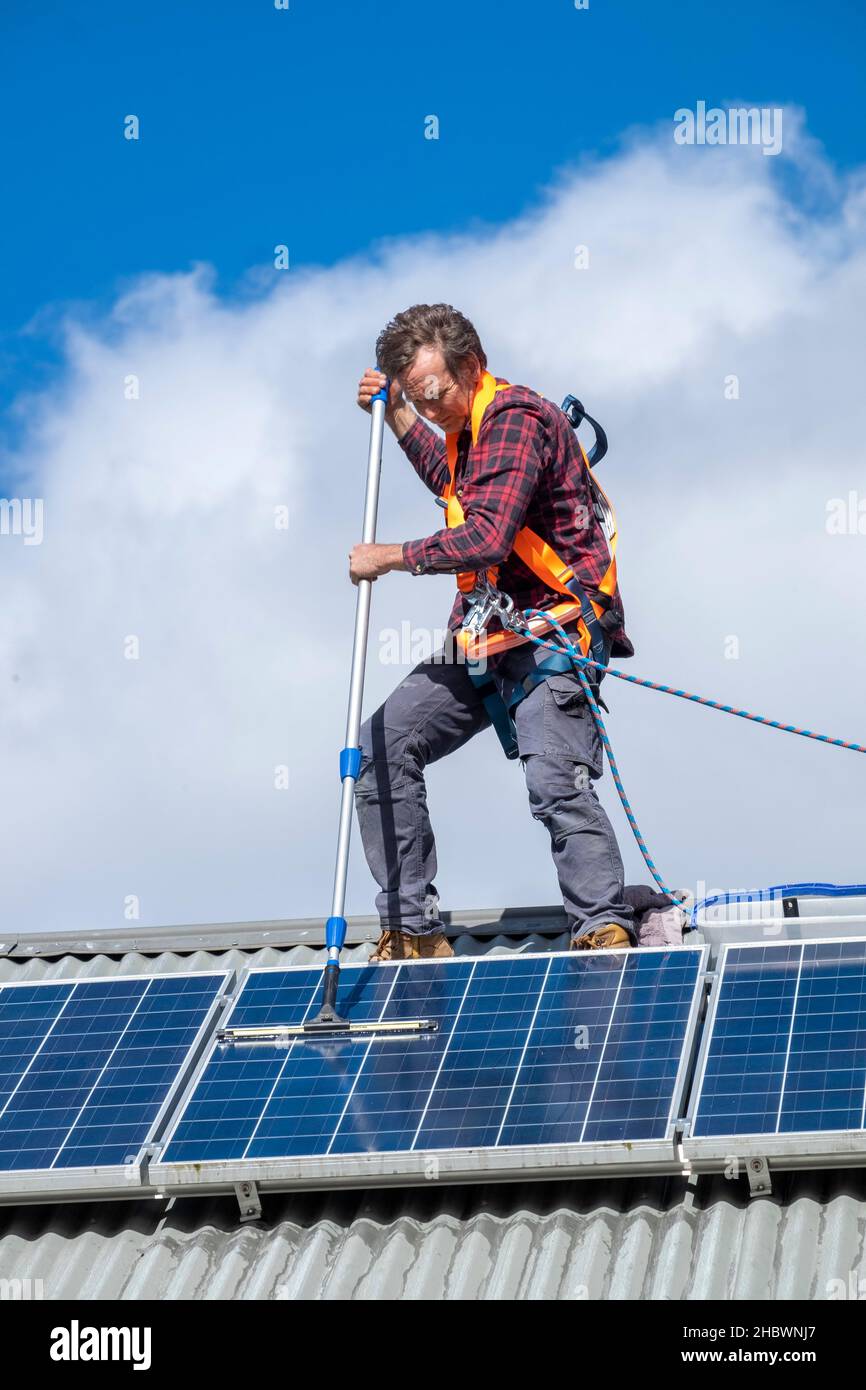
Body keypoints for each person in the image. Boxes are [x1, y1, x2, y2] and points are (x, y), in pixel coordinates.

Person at [350, 303, 636, 961]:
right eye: (417, 398)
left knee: (553, 778)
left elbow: (484, 538)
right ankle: (411, 934)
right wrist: (396, 412)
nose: (429, 408)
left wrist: (389, 556)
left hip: (555, 631)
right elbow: (454, 483)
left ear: (471, 366)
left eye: (432, 393)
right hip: (486, 635)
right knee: (381, 746)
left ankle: (602, 931)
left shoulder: (513, 419)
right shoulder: (463, 426)